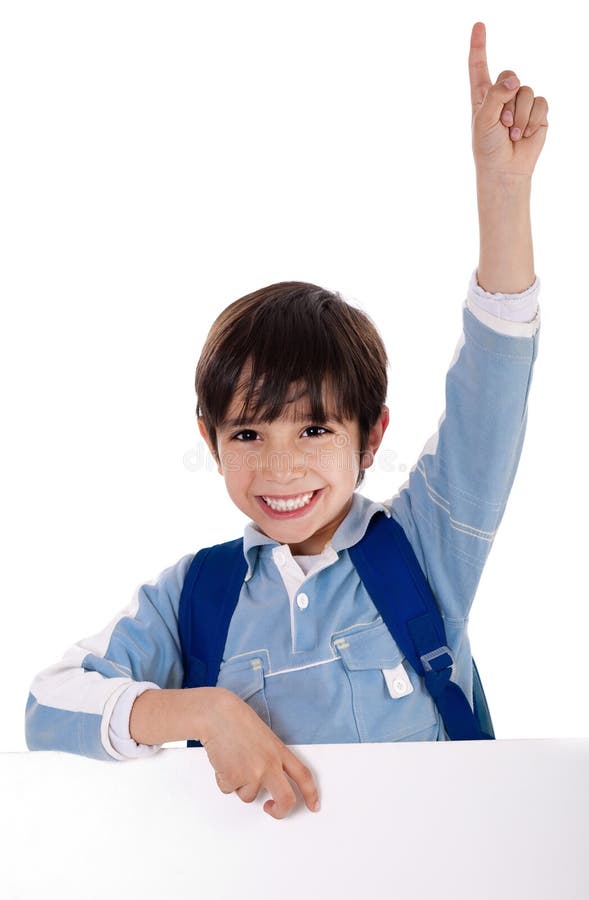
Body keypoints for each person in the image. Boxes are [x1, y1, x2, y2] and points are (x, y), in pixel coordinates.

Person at [25, 22, 548, 820]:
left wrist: (503, 195)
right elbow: (48, 706)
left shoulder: (423, 552)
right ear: (210, 440)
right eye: (247, 435)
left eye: (312, 431)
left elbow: (491, 391)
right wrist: (203, 711)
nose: (279, 468)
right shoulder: (193, 595)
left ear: (370, 436)